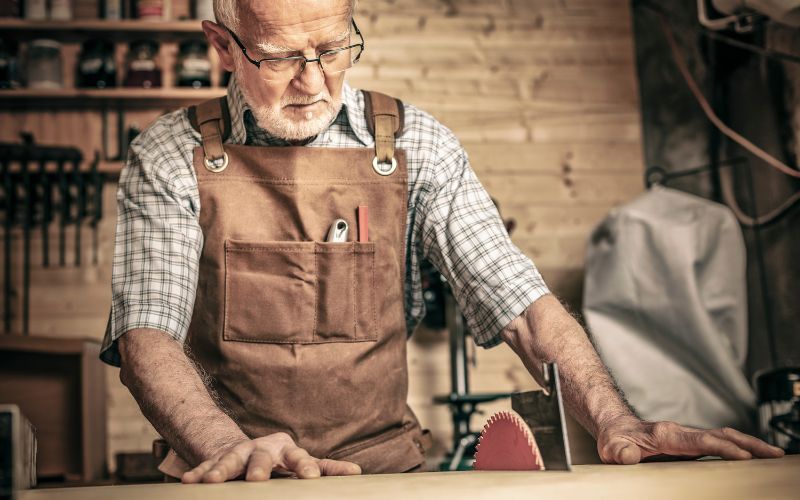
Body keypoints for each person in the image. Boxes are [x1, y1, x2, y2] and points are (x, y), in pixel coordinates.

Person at [100, 0, 784, 484]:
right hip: (227, 476)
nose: (313, 83)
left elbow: (519, 304)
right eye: (280, 57)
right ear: (223, 45)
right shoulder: (171, 155)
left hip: (382, 478)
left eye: (334, 48)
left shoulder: (413, 144)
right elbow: (147, 337)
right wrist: (227, 448)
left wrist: (616, 419)